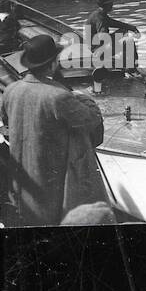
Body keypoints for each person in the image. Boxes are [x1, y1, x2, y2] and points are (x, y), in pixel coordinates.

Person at [1, 32, 105, 226]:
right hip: (50, 189)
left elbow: (7, 123)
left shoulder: (10, 91)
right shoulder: (58, 96)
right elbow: (91, 120)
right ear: (52, 64)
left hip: (23, 186)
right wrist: (84, 98)